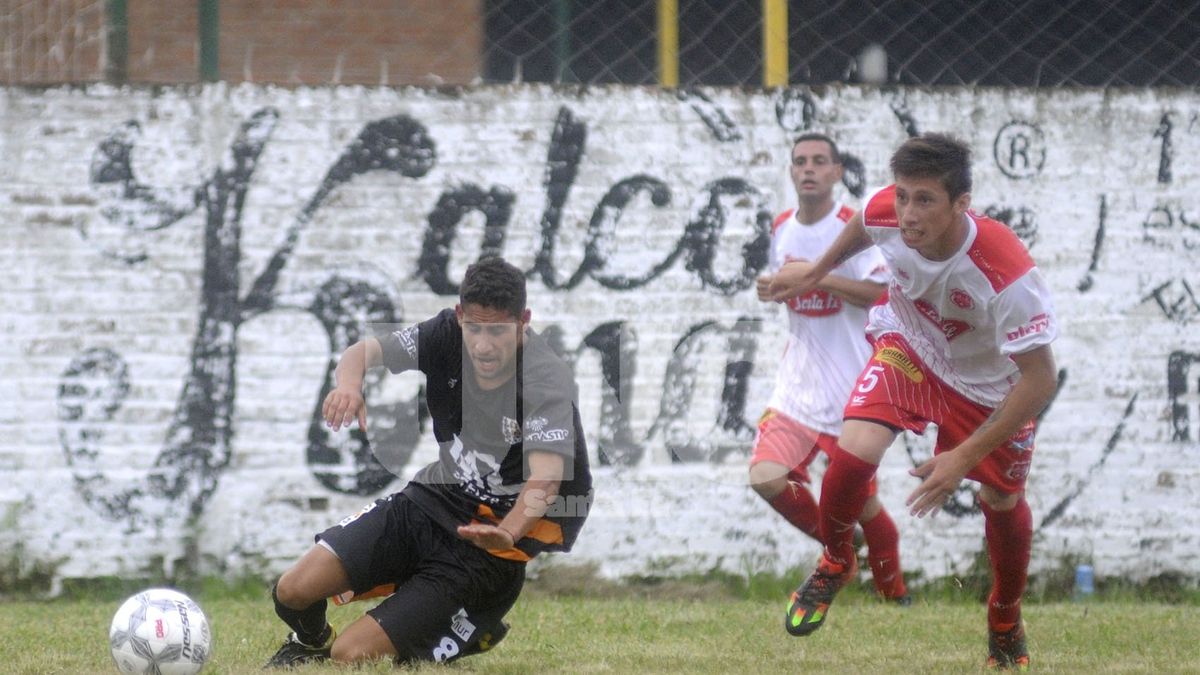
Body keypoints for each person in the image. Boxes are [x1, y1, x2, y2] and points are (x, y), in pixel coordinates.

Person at [770, 133, 1057, 670]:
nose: (906, 213)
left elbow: (1040, 381)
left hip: (988, 388)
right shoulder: (891, 211)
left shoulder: (1007, 274)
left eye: (924, 199)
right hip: (912, 347)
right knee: (853, 450)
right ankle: (836, 559)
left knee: (1001, 501)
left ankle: (1004, 617)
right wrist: (813, 274)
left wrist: (963, 457)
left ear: (961, 205)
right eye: (902, 196)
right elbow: (866, 223)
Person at [265, 256, 593, 667]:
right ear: (459, 316)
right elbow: (361, 352)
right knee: (291, 591)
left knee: (350, 656)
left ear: (523, 320)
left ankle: (470, 625)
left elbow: (545, 480)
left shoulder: (546, 380)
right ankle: (311, 641)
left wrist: (507, 534)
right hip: (429, 502)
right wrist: (349, 386)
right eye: (474, 327)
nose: (484, 344)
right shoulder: (443, 332)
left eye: (498, 330)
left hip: (485, 551)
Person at [751, 133, 908, 604]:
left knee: (864, 504)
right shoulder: (782, 228)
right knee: (765, 477)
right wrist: (774, 288)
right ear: (791, 171)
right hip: (797, 390)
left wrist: (819, 276)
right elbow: (789, 291)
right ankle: (839, 552)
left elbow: (884, 296)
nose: (809, 169)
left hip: (851, 392)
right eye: (800, 162)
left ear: (837, 172)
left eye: (820, 161)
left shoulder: (855, 229)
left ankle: (894, 597)